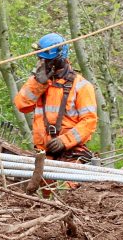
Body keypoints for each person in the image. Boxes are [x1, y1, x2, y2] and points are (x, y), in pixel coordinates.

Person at [13, 33, 98, 163]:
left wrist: (65, 141)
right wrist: (38, 84)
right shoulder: (39, 82)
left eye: (46, 60)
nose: (42, 63)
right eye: (40, 59)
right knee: (35, 182)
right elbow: (22, 106)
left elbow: (89, 121)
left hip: (71, 153)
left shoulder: (81, 86)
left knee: (71, 183)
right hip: (43, 153)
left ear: (59, 59)